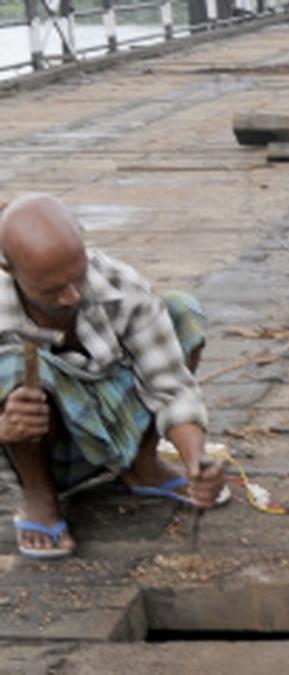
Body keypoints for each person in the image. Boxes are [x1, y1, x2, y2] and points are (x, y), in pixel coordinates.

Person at [0, 194, 226, 559]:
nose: (72, 297)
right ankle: (40, 496)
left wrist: (195, 460)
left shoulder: (120, 284)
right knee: (13, 367)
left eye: (77, 277)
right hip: (51, 449)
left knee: (180, 311)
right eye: (52, 290)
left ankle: (143, 465)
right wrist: (5, 428)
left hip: (116, 422)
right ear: (9, 269)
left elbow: (170, 386)